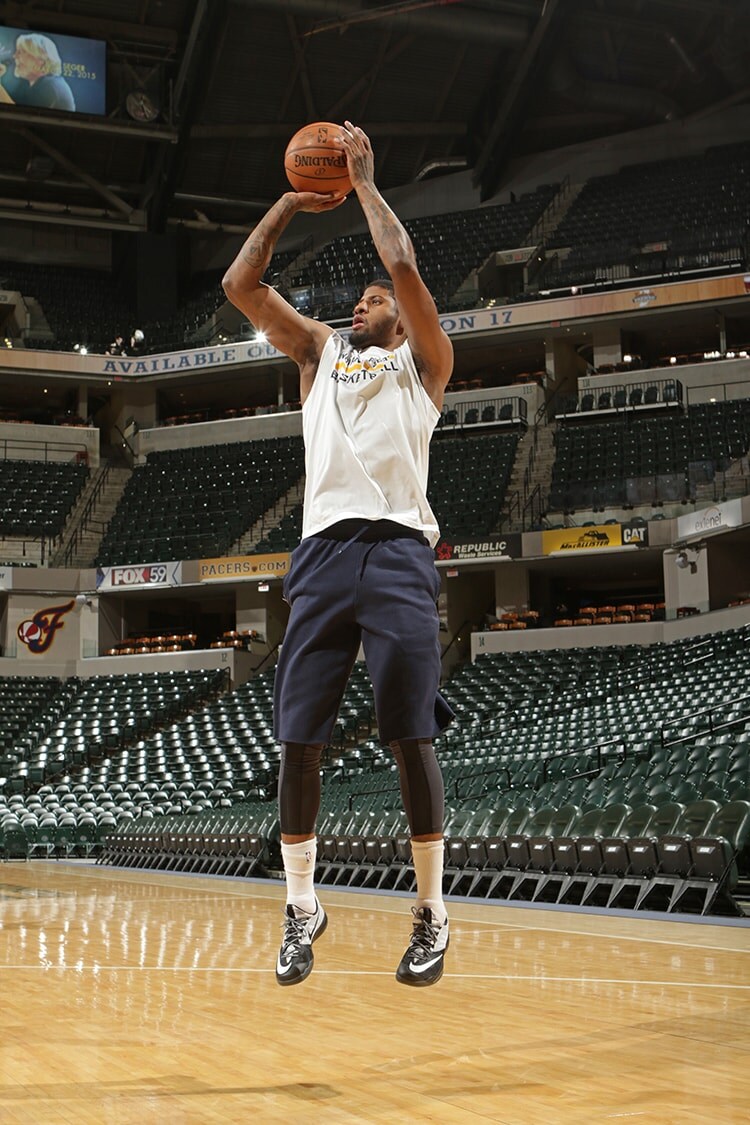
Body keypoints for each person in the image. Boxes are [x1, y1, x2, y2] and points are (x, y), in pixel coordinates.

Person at [223, 121, 455, 988]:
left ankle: (432, 912)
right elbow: (240, 283)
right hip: (321, 553)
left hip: (397, 550)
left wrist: (360, 183)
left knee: (411, 734)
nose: (363, 303)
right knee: (298, 741)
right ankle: (301, 908)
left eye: (373, 299)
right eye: (356, 298)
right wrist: (291, 199)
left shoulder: (425, 365)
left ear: (401, 316)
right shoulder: (320, 352)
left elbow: (401, 261)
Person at [0, 33, 75, 112]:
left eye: (21, 52)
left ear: (41, 60)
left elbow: (20, 115)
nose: (14, 56)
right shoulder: (42, 83)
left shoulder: (50, 86)